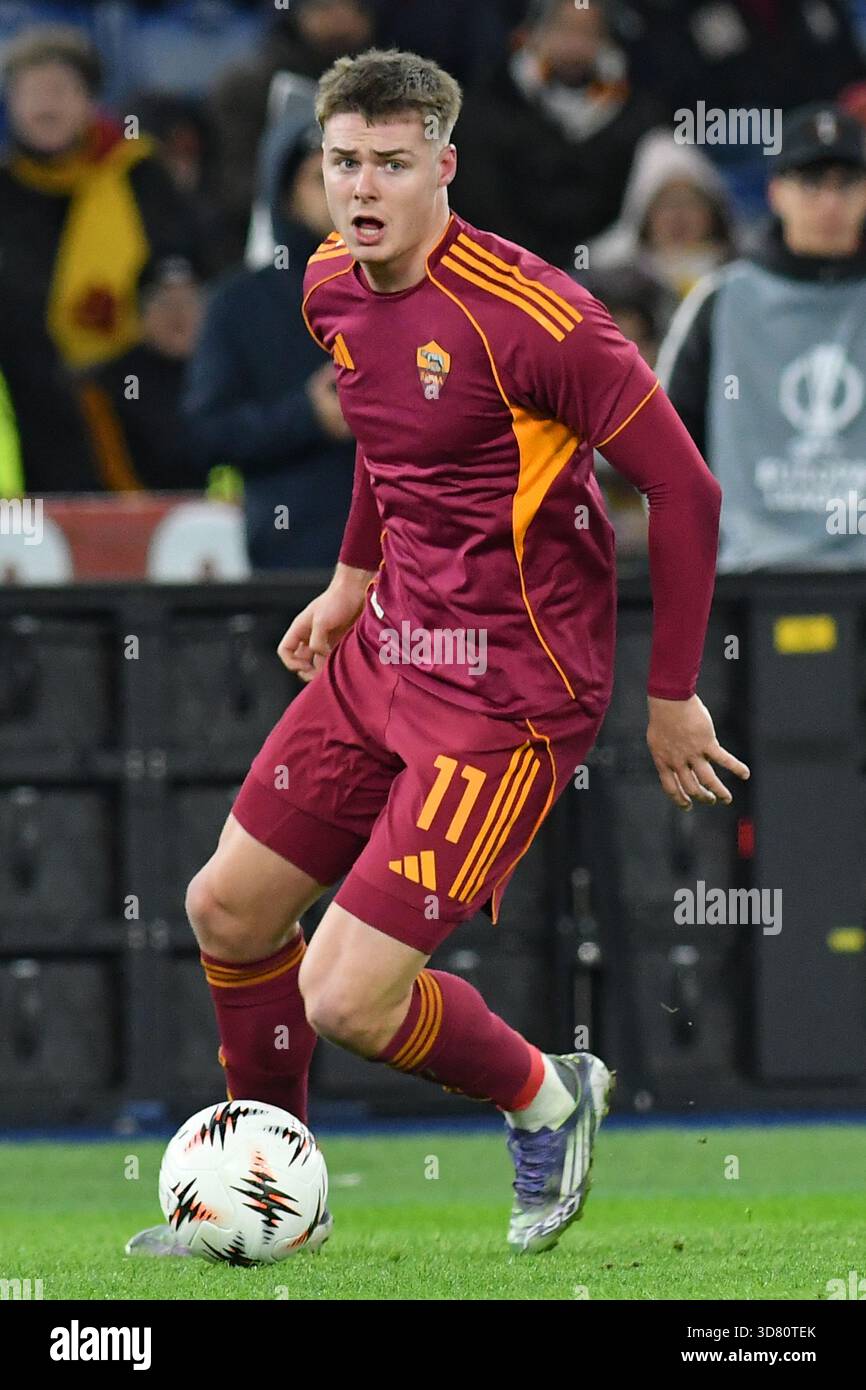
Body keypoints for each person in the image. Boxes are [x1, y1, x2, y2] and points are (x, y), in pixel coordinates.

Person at [127, 48, 748, 1262]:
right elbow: (385, 439)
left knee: (348, 996)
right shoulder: (328, 286)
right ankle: (268, 1208)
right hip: (385, 650)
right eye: (343, 161)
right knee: (227, 909)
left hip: (507, 691)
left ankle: (544, 1095)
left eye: (391, 165)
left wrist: (669, 693)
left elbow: (683, 490)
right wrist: (350, 583)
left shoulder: (538, 320)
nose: (363, 187)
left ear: (442, 169)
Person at [658, 103, 866, 571]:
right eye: (812, 183)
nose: (830, 203)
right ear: (776, 192)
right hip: (750, 577)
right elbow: (663, 443)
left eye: (846, 183)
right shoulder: (721, 300)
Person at [183, 106, 355, 569]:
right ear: (285, 197)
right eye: (321, 178)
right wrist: (308, 417)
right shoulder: (238, 303)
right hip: (292, 568)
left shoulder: (425, 294)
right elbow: (205, 435)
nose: (349, 193)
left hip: (417, 571)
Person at [0, 25, 198, 373]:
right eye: (31, 92)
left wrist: (171, 290)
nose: (45, 106)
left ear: (89, 100)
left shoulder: (136, 169)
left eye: (59, 91)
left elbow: (178, 252)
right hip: (23, 375)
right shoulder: (6, 186)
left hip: (133, 371)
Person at [453, 0, 664, 267]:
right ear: (534, 34)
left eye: (589, 32)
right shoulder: (488, 109)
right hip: (508, 270)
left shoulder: (637, 115)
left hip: (612, 275)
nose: (575, 44)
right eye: (564, 29)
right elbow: (480, 207)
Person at [78, 257, 206, 492]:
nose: (178, 315)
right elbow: (108, 474)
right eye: (163, 302)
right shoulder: (109, 384)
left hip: (228, 517)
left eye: (190, 301)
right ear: (139, 312)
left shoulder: (233, 375)